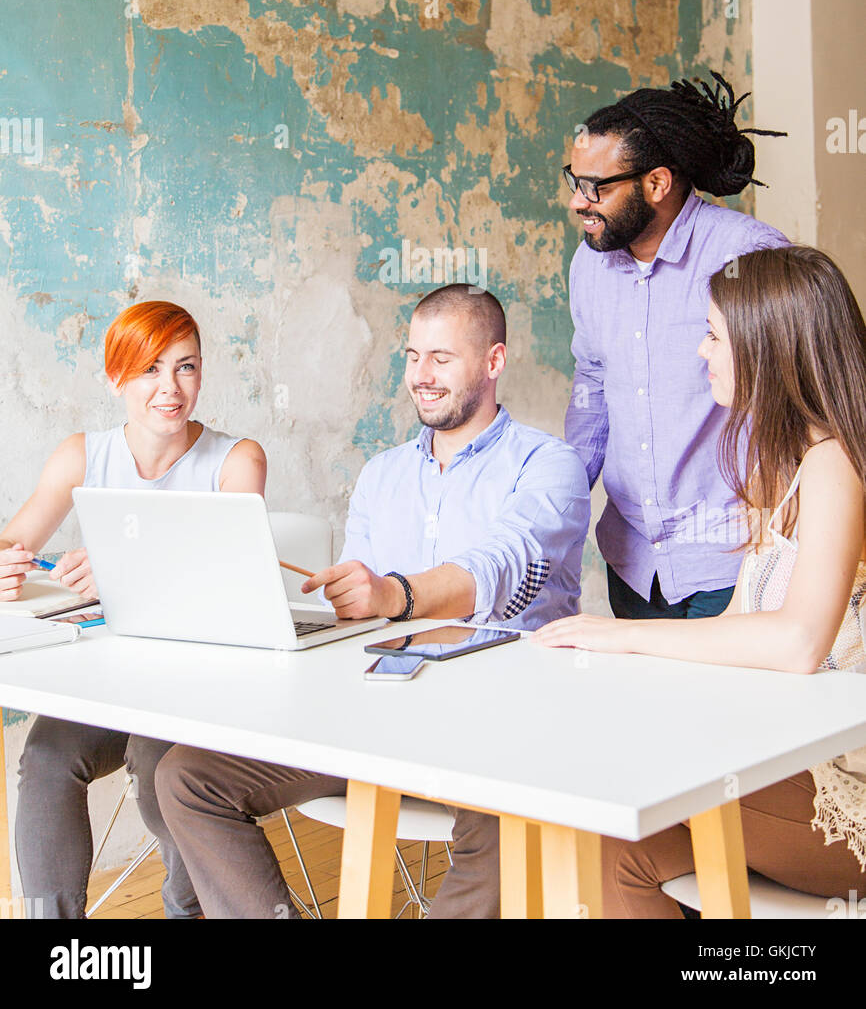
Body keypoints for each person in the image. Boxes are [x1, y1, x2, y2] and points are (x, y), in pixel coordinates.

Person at [156, 283, 590, 919]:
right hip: (374, 707)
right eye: (412, 356)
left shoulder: (548, 465)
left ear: (493, 362)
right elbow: (356, 621)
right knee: (185, 777)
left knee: (509, 816)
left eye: (441, 358)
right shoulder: (382, 475)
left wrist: (394, 593)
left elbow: (499, 564)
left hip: (499, 715)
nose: (420, 376)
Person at [536, 245, 866, 915]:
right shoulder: (786, 470)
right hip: (793, 764)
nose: (702, 353)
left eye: (714, 335)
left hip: (843, 788)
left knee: (613, 787)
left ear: (769, 349)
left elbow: (799, 642)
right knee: (613, 848)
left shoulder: (838, 462)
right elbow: (742, 632)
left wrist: (622, 638)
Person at [0, 300, 266, 919]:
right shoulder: (82, 456)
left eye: (186, 367)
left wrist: (125, 572)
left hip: (197, 687)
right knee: (43, 759)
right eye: (149, 369)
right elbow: (14, 543)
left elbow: (234, 585)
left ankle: (187, 908)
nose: (169, 389)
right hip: (110, 685)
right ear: (116, 376)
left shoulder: (237, 461)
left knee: (157, 765)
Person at [563, 71, 788, 620]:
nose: (577, 202)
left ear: (657, 183)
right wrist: (559, 498)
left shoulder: (748, 255)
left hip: (730, 560)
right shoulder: (589, 267)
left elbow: (796, 402)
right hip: (633, 562)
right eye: (574, 179)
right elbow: (593, 384)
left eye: (597, 187)